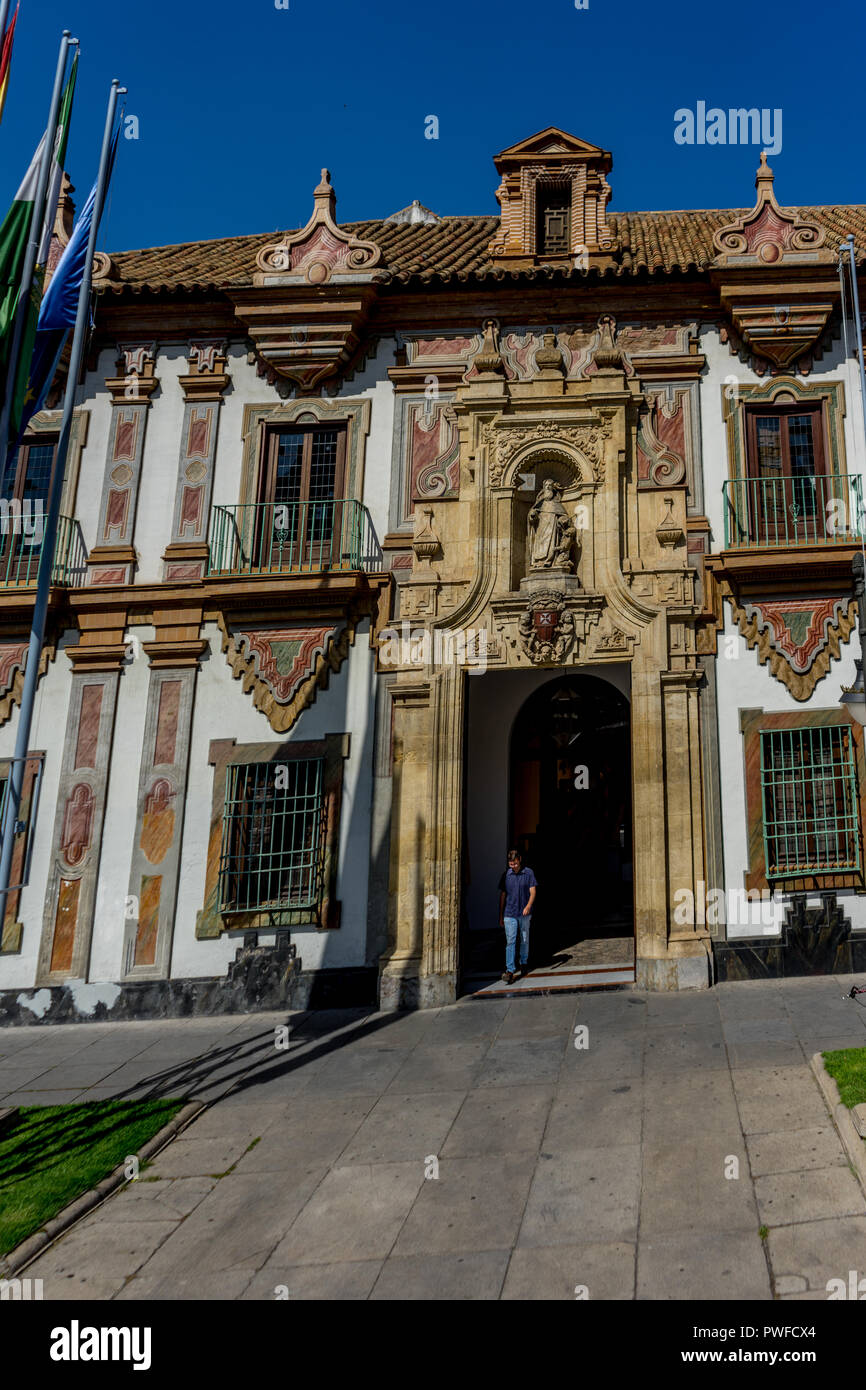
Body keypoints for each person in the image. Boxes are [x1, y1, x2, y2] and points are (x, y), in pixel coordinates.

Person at [498, 849, 537, 983]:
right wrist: (501, 915)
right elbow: (503, 896)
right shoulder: (506, 875)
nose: (513, 866)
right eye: (511, 864)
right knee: (511, 941)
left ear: (519, 860)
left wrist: (528, 906)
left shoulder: (528, 873)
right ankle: (510, 970)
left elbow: (533, 892)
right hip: (510, 913)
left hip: (524, 913)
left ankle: (524, 962)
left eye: (515, 863)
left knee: (524, 938)